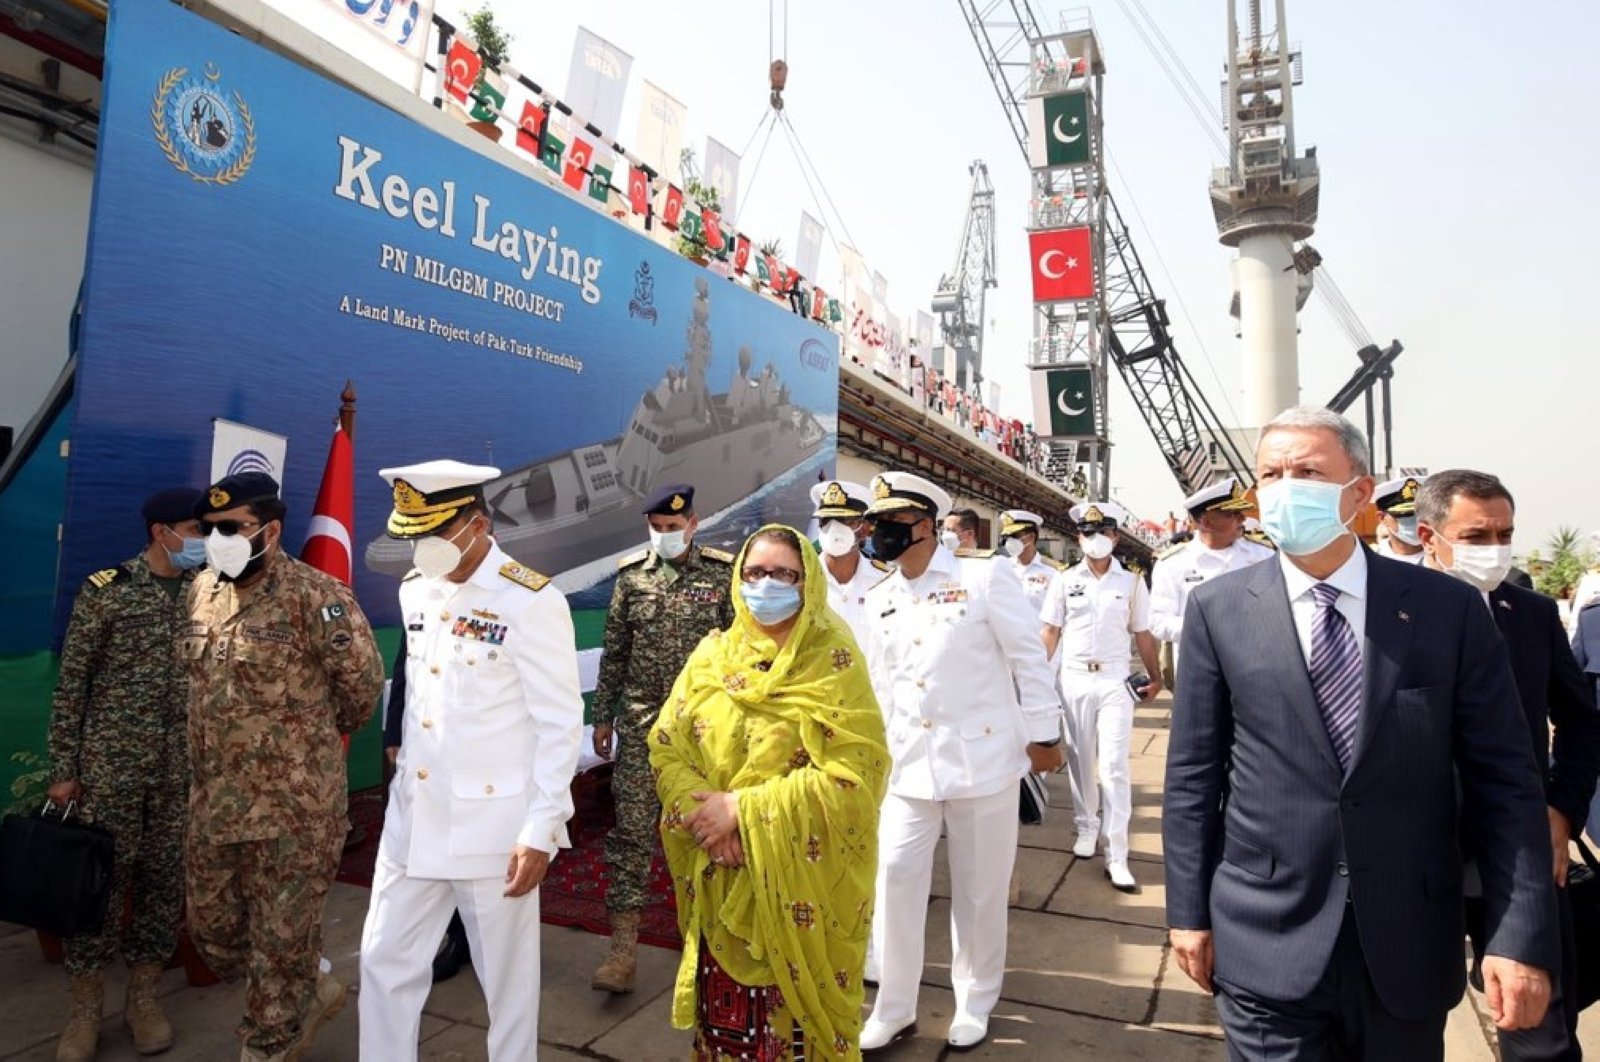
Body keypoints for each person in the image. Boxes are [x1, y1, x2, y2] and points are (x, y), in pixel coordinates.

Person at [1163, 406, 1559, 1059]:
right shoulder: (1219, 610)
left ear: (1357, 491)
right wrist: (1187, 912)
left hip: (1409, 939)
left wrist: (1517, 937)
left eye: (1308, 471)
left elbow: (1506, 782)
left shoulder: (1447, 610)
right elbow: (1192, 779)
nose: (1285, 488)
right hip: (1265, 938)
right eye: (1271, 474)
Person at [359, 461, 584, 1061]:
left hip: (493, 830)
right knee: (384, 964)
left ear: (477, 525)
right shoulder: (416, 589)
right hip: (413, 821)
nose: (419, 548)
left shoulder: (531, 600)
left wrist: (541, 829)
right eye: (411, 535)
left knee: (506, 987)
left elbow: (559, 725)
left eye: (429, 535)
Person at [650, 524, 888, 1060]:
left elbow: (857, 772)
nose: (767, 585)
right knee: (723, 1030)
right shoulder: (711, 657)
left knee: (795, 1036)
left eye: (784, 574)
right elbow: (666, 743)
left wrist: (744, 811)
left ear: (808, 584)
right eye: (755, 573)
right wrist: (707, 818)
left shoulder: (833, 661)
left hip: (804, 884)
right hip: (717, 867)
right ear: (738, 579)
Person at [858, 472, 1064, 1052]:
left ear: (925, 524)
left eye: (891, 524)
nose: (879, 536)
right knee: (895, 880)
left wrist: (1045, 735)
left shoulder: (982, 576)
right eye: (875, 525)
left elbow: (1027, 658)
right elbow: (880, 687)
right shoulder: (882, 598)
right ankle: (895, 1005)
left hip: (983, 761)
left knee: (978, 891)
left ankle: (974, 1000)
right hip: (907, 768)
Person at [184, 472, 384, 1062]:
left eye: (231, 528)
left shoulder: (315, 597)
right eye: (209, 529)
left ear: (270, 531)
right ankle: (307, 979)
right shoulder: (201, 590)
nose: (217, 539)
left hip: (294, 809)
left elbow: (361, 691)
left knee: (277, 943)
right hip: (216, 802)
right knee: (213, 934)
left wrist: (300, 751)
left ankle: (270, 1041)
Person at [1415, 469, 1600, 1062]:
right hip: (1412, 855)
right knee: (1401, 1025)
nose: (1494, 548)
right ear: (1429, 537)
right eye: (1475, 535)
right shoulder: (1385, 609)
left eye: (1505, 533)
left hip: (1519, 851)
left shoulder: (1531, 614)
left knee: (1541, 1031)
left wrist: (1562, 811)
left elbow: (1583, 719)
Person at [46, 487, 205, 1060]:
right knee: (99, 888)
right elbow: (73, 685)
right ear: (161, 532)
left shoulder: (207, 592)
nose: (204, 540)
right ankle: (85, 1011)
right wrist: (64, 770)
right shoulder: (107, 591)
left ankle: (143, 999)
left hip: (179, 771)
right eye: (195, 528)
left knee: (164, 885)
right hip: (111, 768)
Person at [589, 484, 735, 993]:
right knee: (630, 834)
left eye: (674, 528)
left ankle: (706, 949)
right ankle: (622, 954)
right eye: (657, 529)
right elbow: (615, 652)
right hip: (640, 725)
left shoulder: (721, 575)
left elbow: (738, 653)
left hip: (701, 735)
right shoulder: (632, 578)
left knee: (704, 837)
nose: (665, 536)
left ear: (693, 524)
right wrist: (602, 715)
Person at [1040, 502, 1163, 891]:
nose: (1095, 541)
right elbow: (1050, 632)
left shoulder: (1131, 582)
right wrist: (1036, 678)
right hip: (1074, 677)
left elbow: (1142, 632)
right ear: (1079, 538)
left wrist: (1157, 675)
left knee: (1113, 766)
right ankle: (1086, 826)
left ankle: (1118, 852)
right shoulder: (1063, 581)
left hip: (1113, 679)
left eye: (1103, 533)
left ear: (1115, 537)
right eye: (1087, 534)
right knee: (1079, 759)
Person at [380, 636, 473, 985]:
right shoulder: (420, 588)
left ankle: (477, 937)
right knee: (432, 843)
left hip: (480, 752)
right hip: (425, 750)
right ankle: (452, 935)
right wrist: (393, 731)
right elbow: (407, 663)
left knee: (472, 844)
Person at [1147, 476, 1273, 664]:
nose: (1243, 518)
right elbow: (1158, 621)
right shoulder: (1173, 564)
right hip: (1201, 668)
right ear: (1206, 522)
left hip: (1255, 665)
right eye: (1233, 514)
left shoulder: (1263, 556)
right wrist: (1209, 627)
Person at [811, 478, 889, 648]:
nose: (833, 528)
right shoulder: (802, 580)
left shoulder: (884, 583)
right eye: (826, 520)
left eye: (845, 521)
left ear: (865, 528)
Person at [1372, 476, 1426, 565]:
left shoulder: (1445, 559)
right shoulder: (1370, 561)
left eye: (1422, 513)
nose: (1416, 520)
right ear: (1382, 518)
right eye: (1405, 514)